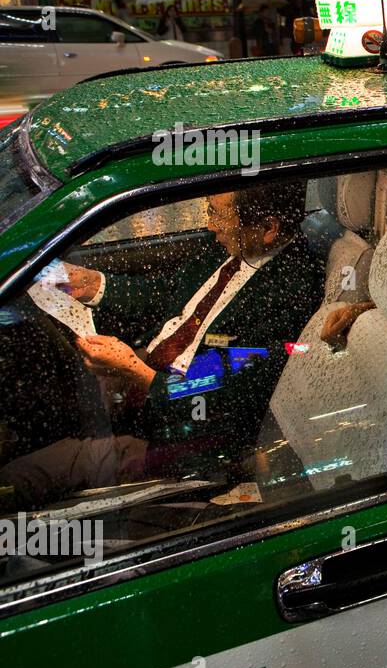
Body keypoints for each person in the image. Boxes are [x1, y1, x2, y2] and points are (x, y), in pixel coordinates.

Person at [1, 181, 324, 508]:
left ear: (268, 228)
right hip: (142, 383)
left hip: (183, 435)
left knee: (25, 475)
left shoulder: (291, 294)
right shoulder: (229, 246)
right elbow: (169, 293)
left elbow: (224, 386)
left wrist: (137, 373)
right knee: (37, 390)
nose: (209, 224)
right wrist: (91, 284)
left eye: (218, 214)